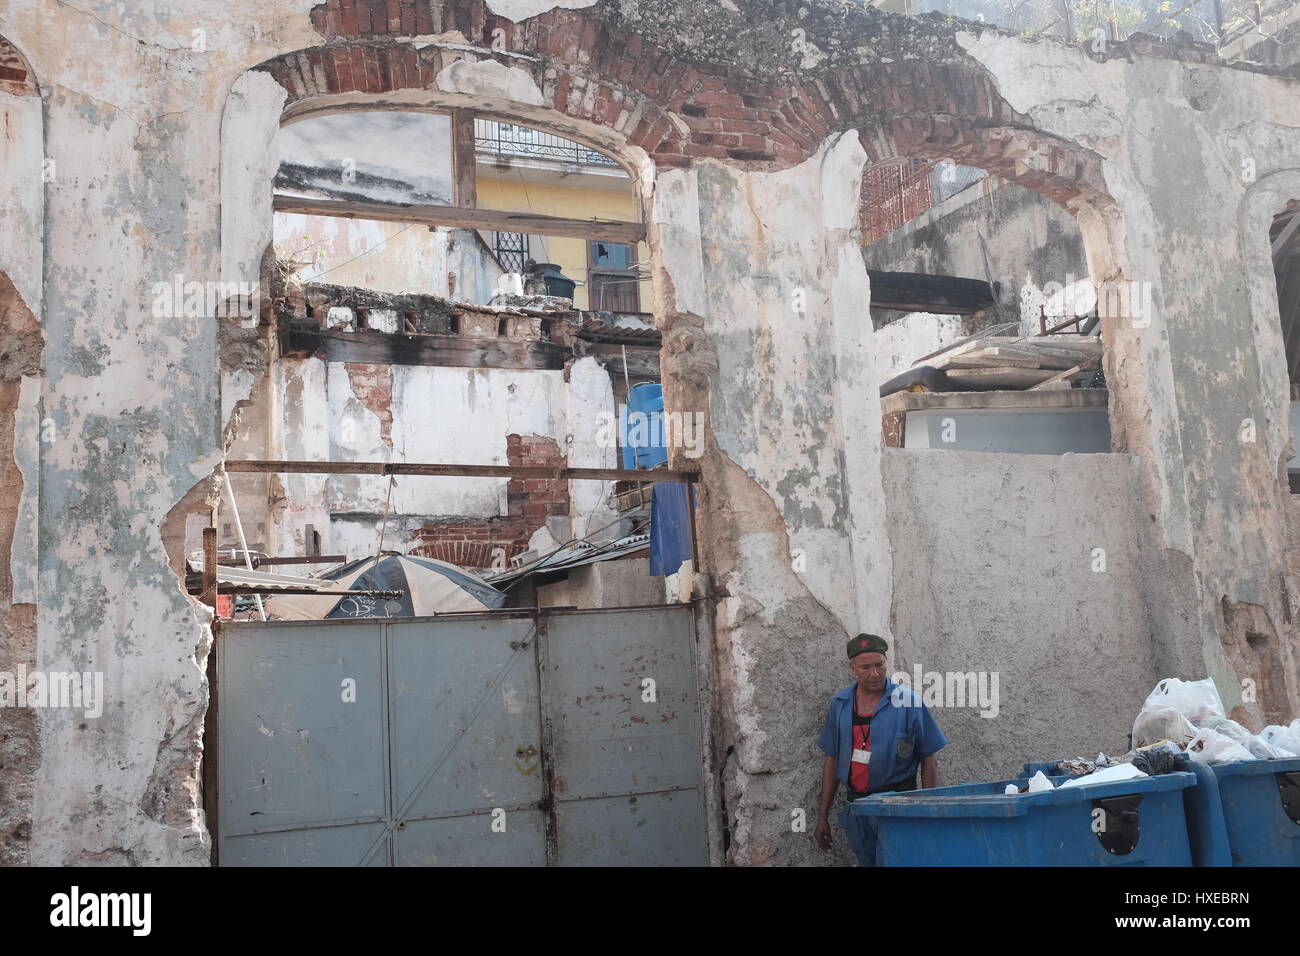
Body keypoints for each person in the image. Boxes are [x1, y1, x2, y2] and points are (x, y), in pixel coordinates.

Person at [814, 633, 947, 866]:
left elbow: (929, 759)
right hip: (857, 810)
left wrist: (929, 810)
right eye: (865, 667)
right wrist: (822, 816)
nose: (874, 673)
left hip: (897, 808)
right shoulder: (840, 705)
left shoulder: (908, 701)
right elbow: (831, 761)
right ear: (852, 667)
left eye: (879, 665)